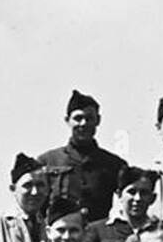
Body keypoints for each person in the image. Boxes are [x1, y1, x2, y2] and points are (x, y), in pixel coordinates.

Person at [37, 90, 126, 222]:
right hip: (59, 237)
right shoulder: (47, 161)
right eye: (78, 118)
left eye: (89, 118)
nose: (84, 123)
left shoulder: (114, 165)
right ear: (67, 121)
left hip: (97, 239)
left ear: (98, 120)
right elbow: (37, 207)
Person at [76, 165, 160, 242]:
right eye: (132, 192)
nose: (137, 198)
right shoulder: (97, 229)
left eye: (144, 193)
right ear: (119, 194)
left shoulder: (159, 231)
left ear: (153, 198)